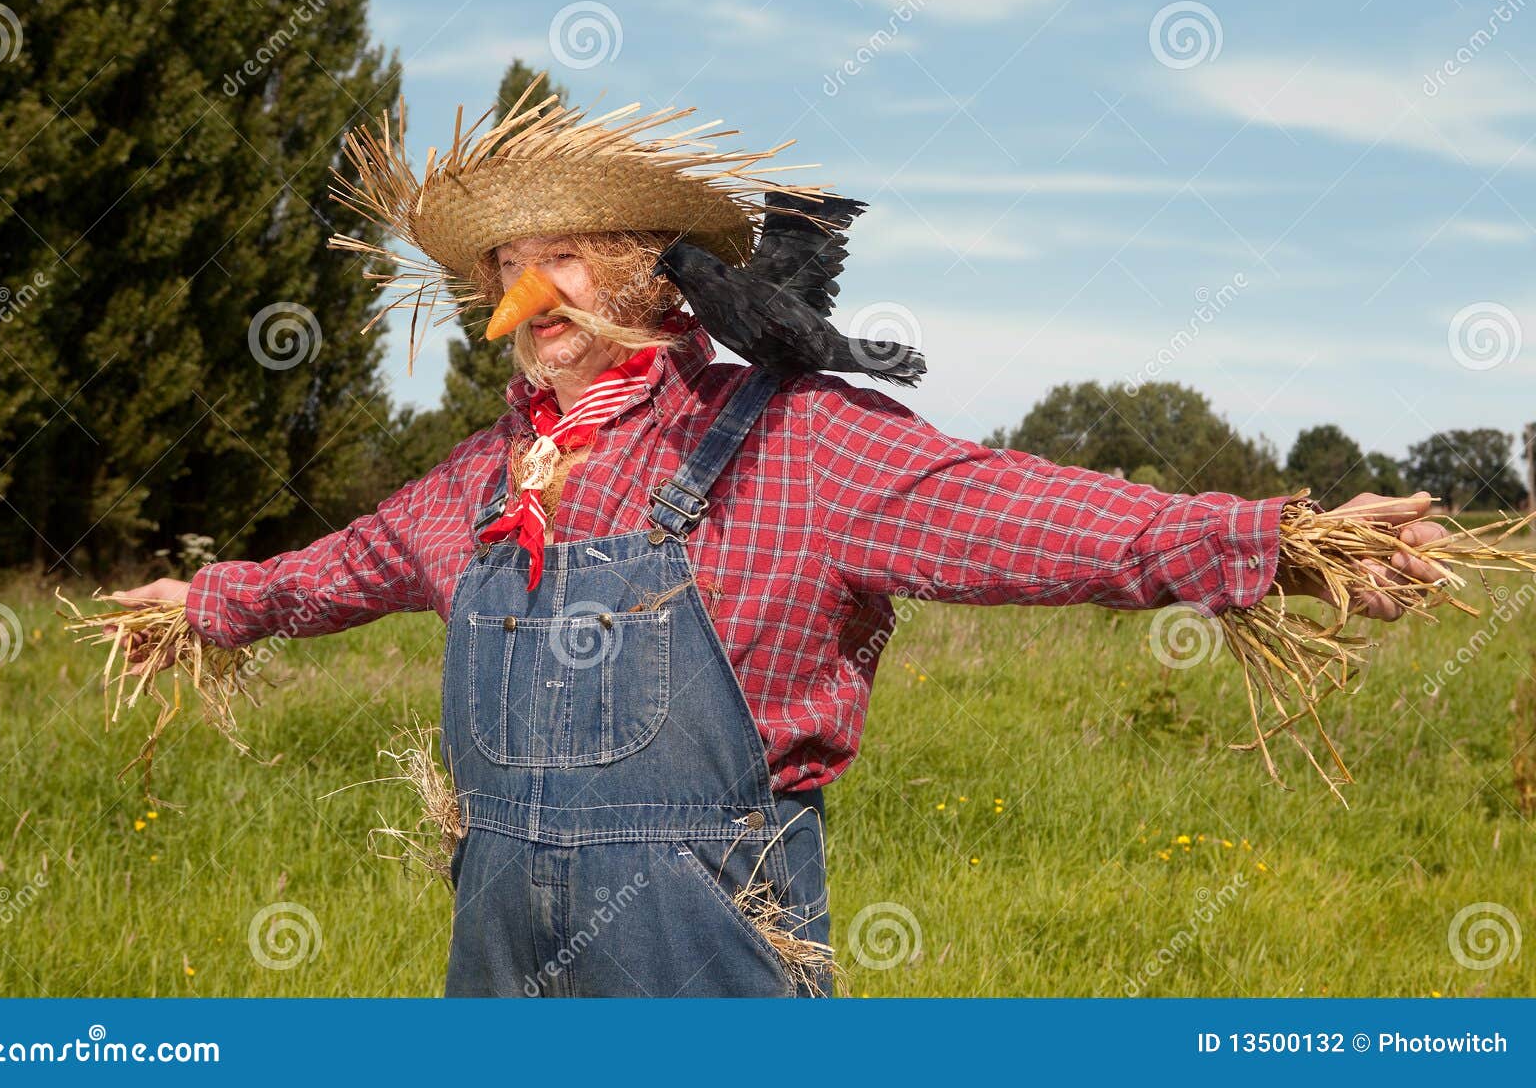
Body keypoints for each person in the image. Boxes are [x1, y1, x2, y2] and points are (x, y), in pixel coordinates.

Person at [108, 84, 1447, 997]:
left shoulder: (793, 438)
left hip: (709, 965)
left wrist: (1278, 541)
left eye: (568, 254)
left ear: (649, 266)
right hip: (501, 965)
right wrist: (204, 604)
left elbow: (1030, 511)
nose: (531, 288)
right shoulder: (474, 482)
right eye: (512, 262)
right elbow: (324, 575)